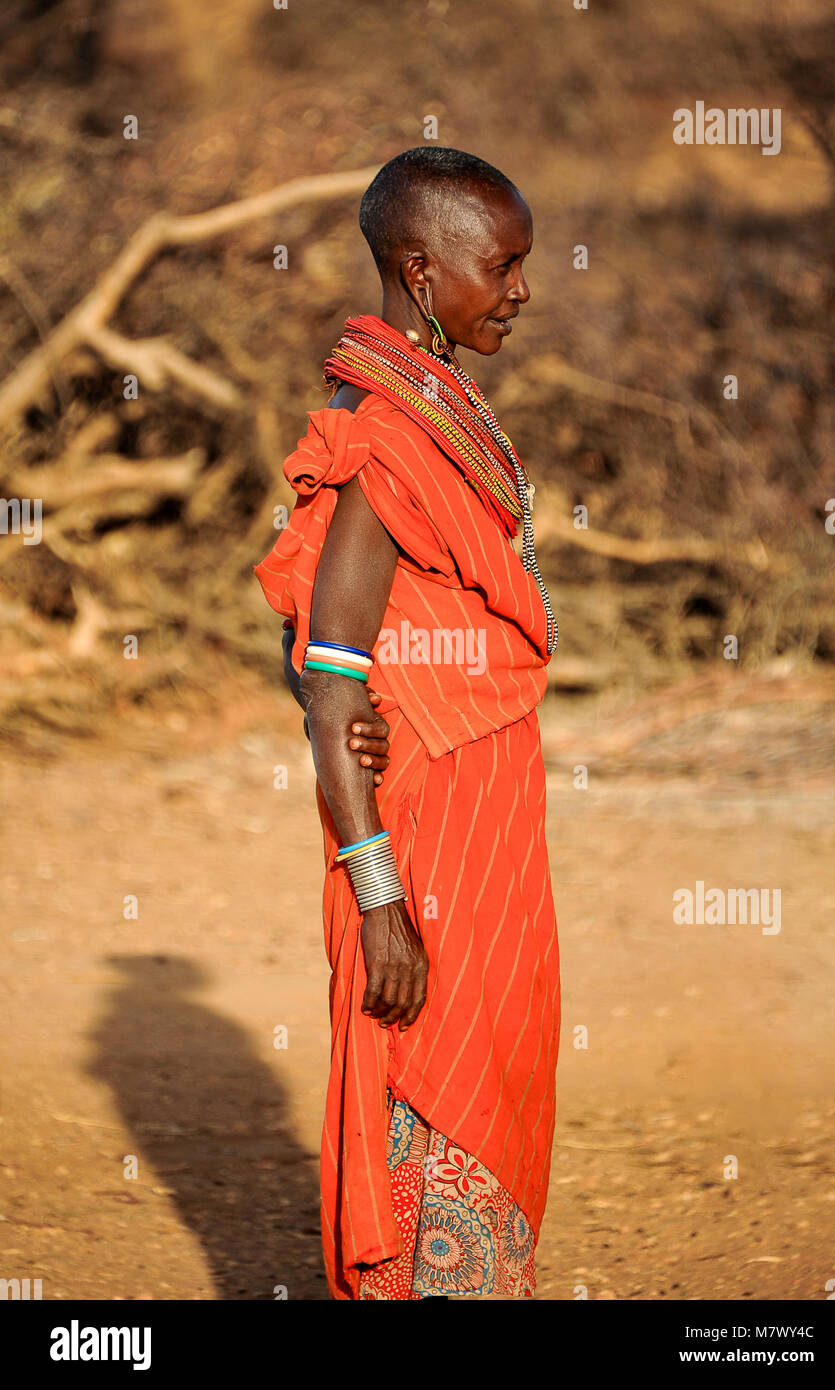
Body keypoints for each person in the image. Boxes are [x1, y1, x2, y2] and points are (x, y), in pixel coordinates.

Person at [254, 146, 560, 1301]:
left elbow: (351, 665)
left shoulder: (432, 415)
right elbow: (328, 679)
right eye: (506, 265)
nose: (524, 290)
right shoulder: (381, 438)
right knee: (431, 1066)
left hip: (485, 820)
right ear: (422, 272)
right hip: (424, 841)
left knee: (501, 1054)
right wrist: (382, 900)